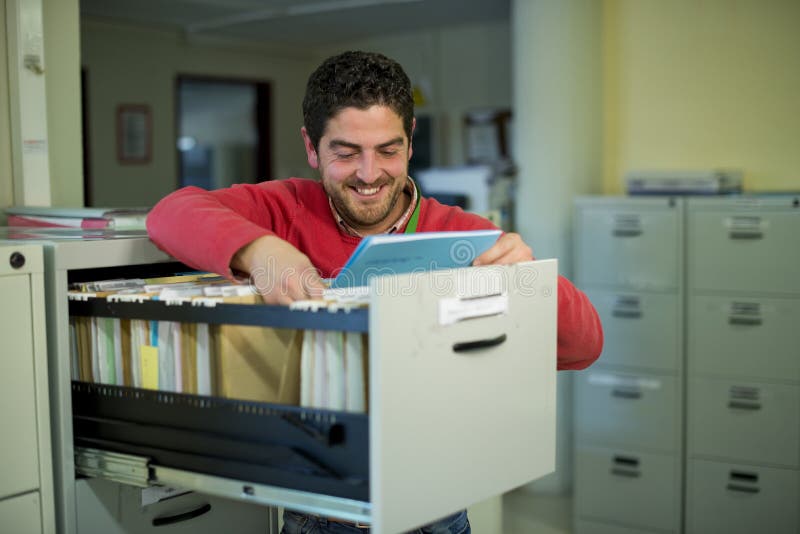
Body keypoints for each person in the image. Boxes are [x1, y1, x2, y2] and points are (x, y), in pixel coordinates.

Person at [147, 50, 603, 534]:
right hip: (317, 511)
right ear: (311, 146)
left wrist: (527, 284)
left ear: (410, 142)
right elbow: (170, 213)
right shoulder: (283, 210)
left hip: (437, 510)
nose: (369, 174)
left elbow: (585, 344)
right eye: (345, 153)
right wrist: (260, 252)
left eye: (388, 150)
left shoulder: (461, 234)